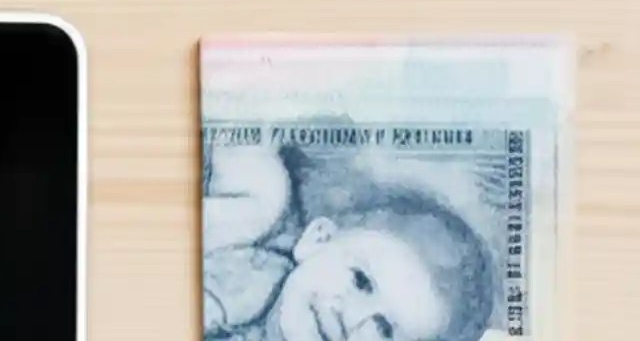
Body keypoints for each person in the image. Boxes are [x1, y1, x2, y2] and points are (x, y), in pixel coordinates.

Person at [203, 143, 497, 341]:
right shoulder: (247, 274)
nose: (353, 319)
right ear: (318, 240)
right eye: (360, 281)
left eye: (384, 331)